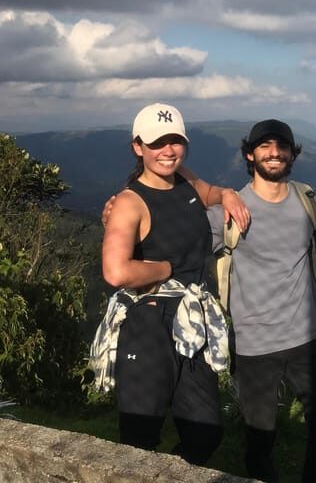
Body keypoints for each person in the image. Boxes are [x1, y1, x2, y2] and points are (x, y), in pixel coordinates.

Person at [94, 102, 249, 465]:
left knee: (206, 432)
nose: (168, 151)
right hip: (149, 322)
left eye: (175, 141)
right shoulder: (130, 202)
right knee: (139, 436)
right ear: (138, 147)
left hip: (189, 318)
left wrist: (227, 194)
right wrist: (163, 268)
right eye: (157, 143)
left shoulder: (186, 180)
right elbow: (115, 271)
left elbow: (208, 192)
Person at [208, 119, 316, 483]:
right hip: (254, 344)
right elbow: (179, 234)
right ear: (250, 154)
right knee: (259, 438)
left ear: (292, 154)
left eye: (282, 146)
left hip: (307, 338)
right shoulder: (228, 212)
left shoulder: (308, 199)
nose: (274, 152)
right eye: (264, 146)